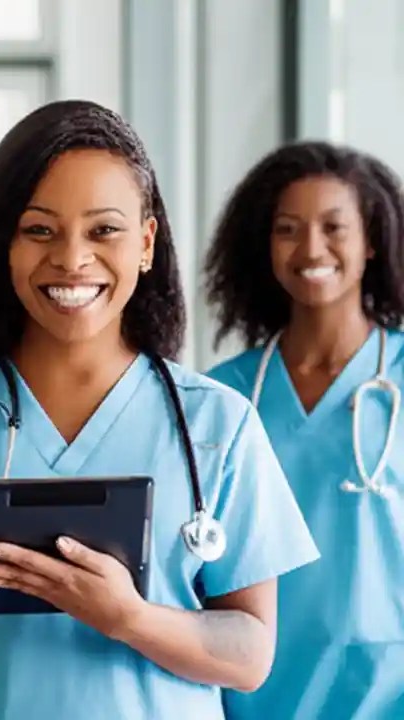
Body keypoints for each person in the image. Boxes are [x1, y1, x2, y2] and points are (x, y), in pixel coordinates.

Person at [0, 100, 322, 719]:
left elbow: (250, 656)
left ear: (145, 242)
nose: (70, 258)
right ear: (3, 245)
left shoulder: (218, 424)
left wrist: (129, 617)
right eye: (39, 229)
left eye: (103, 230)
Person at [203, 141, 404, 720]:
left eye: (333, 226)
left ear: (371, 241)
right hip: (257, 692)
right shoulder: (224, 397)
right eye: (287, 229)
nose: (311, 248)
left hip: (386, 694)